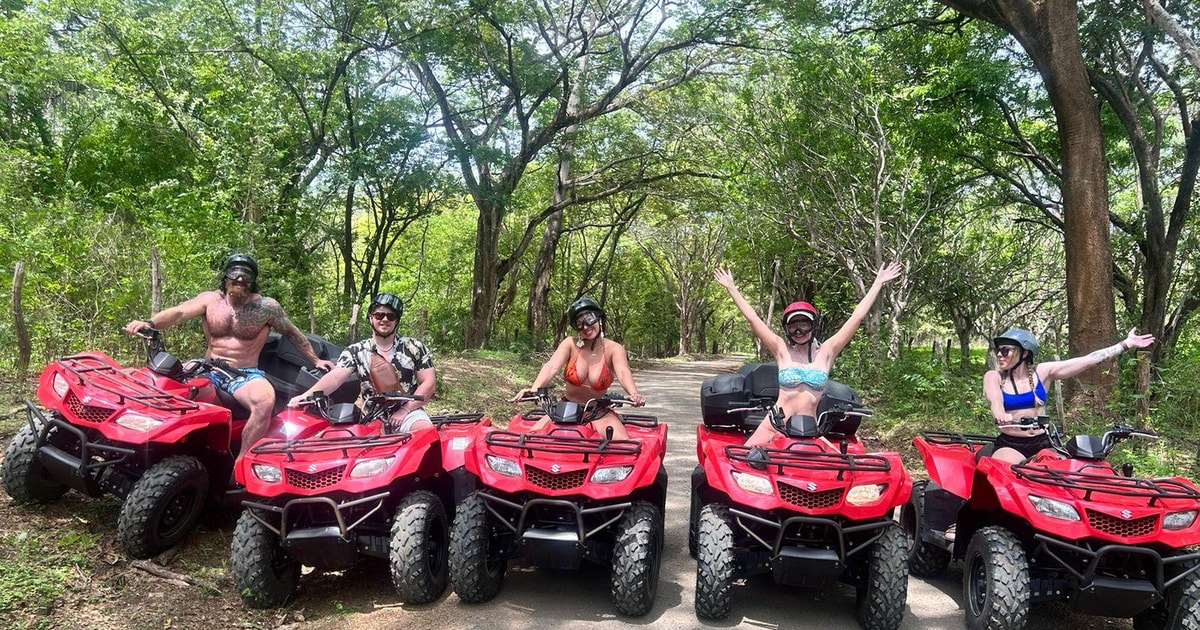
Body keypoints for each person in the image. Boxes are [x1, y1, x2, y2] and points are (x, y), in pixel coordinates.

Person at [124, 254, 336, 460]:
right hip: (207, 367)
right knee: (161, 383)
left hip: (244, 373)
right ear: (226, 276)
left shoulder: (266, 307)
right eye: (235, 272)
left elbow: (292, 333)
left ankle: (242, 463)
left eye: (247, 274)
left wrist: (316, 360)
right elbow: (179, 312)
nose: (241, 278)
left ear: (253, 280)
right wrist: (150, 323)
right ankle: (139, 443)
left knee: (264, 401)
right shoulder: (210, 300)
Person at [714, 262, 903, 447]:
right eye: (793, 325)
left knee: (837, 473)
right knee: (741, 464)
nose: (798, 330)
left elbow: (856, 317)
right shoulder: (781, 349)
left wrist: (878, 283)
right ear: (786, 329)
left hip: (811, 431)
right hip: (774, 425)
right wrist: (732, 287)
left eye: (803, 324)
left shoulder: (827, 351)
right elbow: (753, 318)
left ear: (813, 325)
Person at [984, 326, 1155, 464]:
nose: (999, 354)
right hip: (1011, 443)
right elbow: (995, 400)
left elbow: (1088, 360)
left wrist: (1124, 345)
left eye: (1005, 350)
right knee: (1006, 472)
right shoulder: (995, 376)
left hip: (1043, 441)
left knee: (1065, 475)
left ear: (1025, 352)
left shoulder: (1042, 372)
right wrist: (1000, 415)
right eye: (998, 350)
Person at [289, 293, 436, 433]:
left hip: (409, 411)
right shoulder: (356, 351)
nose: (385, 319)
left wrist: (405, 410)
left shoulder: (414, 346)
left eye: (390, 316)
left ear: (396, 320)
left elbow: (429, 383)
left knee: (424, 432)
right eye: (379, 315)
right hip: (373, 416)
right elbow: (335, 377)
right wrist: (306, 396)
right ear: (371, 317)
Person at [511, 297, 646, 440]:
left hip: (598, 412)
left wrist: (633, 393)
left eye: (589, 319)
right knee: (531, 440)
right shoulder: (570, 344)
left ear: (599, 317)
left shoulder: (614, 349)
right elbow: (551, 366)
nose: (586, 327)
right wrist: (534, 389)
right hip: (565, 410)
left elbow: (623, 371)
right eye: (579, 324)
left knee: (623, 447)